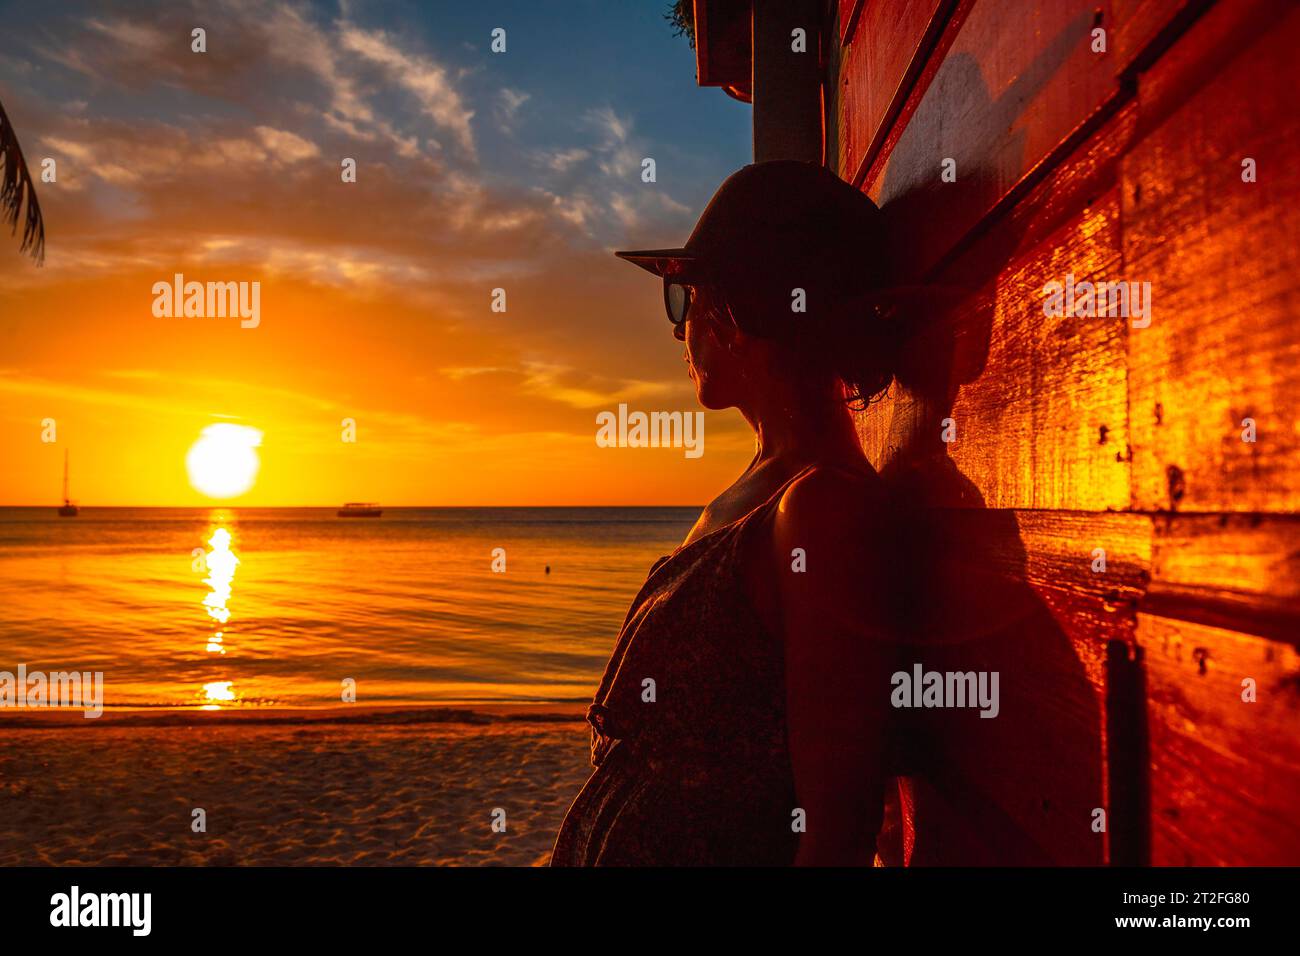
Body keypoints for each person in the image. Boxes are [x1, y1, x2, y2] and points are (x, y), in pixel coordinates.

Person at [550, 160, 904, 866]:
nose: (679, 332)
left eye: (683, 303)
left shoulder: (819, 511)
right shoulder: (762, 489)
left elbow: (837, 829)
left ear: (732, 318)